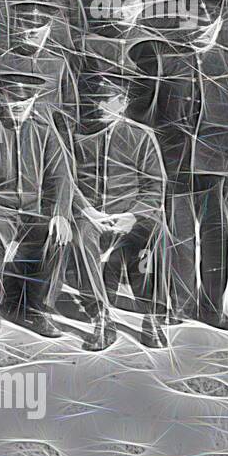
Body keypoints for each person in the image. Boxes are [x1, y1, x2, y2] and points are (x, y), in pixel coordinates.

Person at [130, 3, 228, 330]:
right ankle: (180, 304)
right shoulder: (167, 60)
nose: (200, 32)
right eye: (192, 26)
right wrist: (146, 158)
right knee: (179, 235)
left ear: (217, 25)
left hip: (217, 165)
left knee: (216, 237)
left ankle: (214, 307)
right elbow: (143, 112)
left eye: (206, 25)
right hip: (174, 162)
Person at [69, 72, 169, 351]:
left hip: (130, 214)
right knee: (79, 235)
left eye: (108, 101)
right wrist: (87, 211)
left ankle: (152, 316)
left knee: (154, 234)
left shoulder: (140, 136)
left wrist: (133, 216)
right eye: (97, 101)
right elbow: (68, 180)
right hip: (91, 214)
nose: (101, 107)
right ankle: (100, 316)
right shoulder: (77, 135)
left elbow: (154, 185)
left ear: (123, 102)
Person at [0, 70, 74, 339]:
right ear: (1, 97)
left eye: (24, 100)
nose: (17, 105)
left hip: (34, 210)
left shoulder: (45, 132)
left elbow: (61, 174)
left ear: (35, 99)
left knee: (59, 236)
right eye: (11, 99)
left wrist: (60, 213)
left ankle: (42, 310)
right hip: (0, 210)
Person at [0, 0, 78, 142]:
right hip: (7, 139)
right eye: (26, 23)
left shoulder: (59, 66)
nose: (31, 31)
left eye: (38, 25)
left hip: (45, 142)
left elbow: (69, 108)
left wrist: (60, 138)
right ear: (17, 25)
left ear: (48, 27)